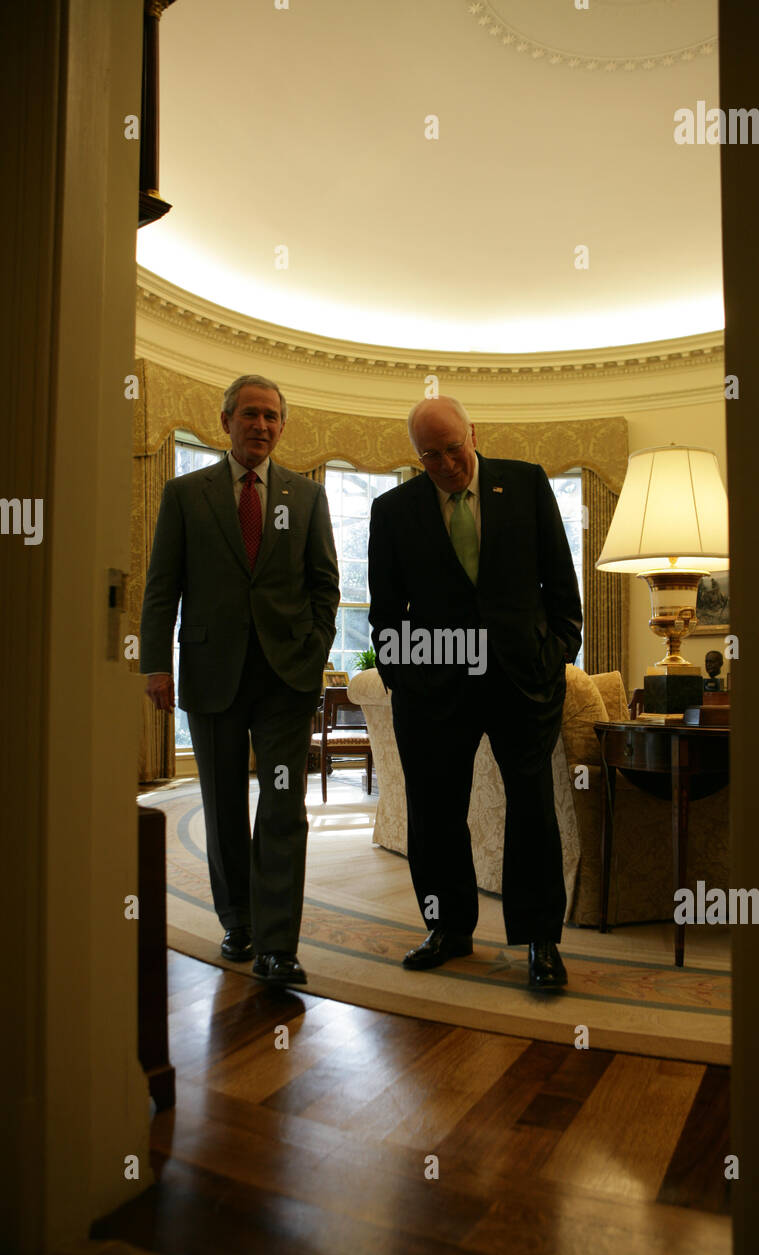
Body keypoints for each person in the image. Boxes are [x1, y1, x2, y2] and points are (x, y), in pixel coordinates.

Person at [368, 396, 582, 991]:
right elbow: (385, 616)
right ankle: (447, 928)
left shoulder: (526, 483)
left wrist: (556, 651)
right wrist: (404, 675)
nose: (446, 464)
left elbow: (561, 584)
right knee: (435, 814)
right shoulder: (393, 510)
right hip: (433, 688)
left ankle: (541, 940)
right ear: (417, 456)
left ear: (473, 435)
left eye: (454, 448)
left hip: (522, 681)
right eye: (430, 455)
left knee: (533, 809)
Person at [140, 374, 340, 990]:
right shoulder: (184, 494)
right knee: (223, 801)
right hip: (211, 674)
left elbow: (325, 586)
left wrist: (312, 654)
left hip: (285, 681)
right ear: (225, 421)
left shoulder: (306, 497)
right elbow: (161, 585)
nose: (261, 426)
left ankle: (278, 944)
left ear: (282, 427)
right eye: (250, 414)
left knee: (283, 806)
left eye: (272, 417)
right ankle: (239, 920)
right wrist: (155, 664)